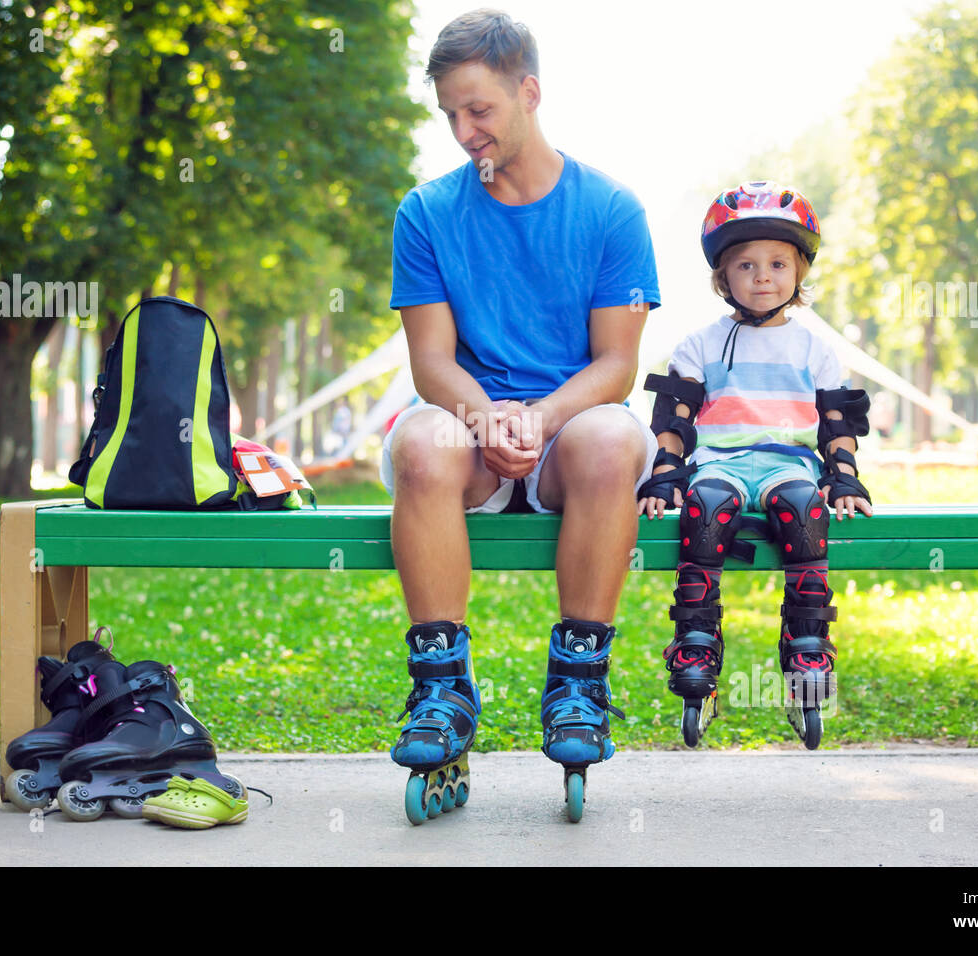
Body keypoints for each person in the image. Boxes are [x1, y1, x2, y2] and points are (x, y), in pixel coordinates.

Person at [382, 9, 660, 823]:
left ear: (528, 92)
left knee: (614, 437)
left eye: (481, 110)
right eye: (451, 115)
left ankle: (578, 684)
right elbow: (432, 361)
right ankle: (442, 691)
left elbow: (616, 364)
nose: (466, 131)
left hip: (569, 430)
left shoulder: (612, 209)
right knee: (423, 443)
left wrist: (536, 417)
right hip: (466, 430)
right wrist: (486, 415)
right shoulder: (426, 213)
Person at [636, 181, 872, 751]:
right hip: (719, 463)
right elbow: (676, 419)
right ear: (723, 276)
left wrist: (842, 478)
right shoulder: (699, 344)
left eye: (776, 263)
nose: (762, 276)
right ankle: (696, 638)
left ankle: (808, 644)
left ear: (798, 271)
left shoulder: (816, 348)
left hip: (787, 464)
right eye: (746, 264)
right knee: (707, 506)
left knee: (801, 507)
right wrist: (666, 476)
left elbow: (835, 424)